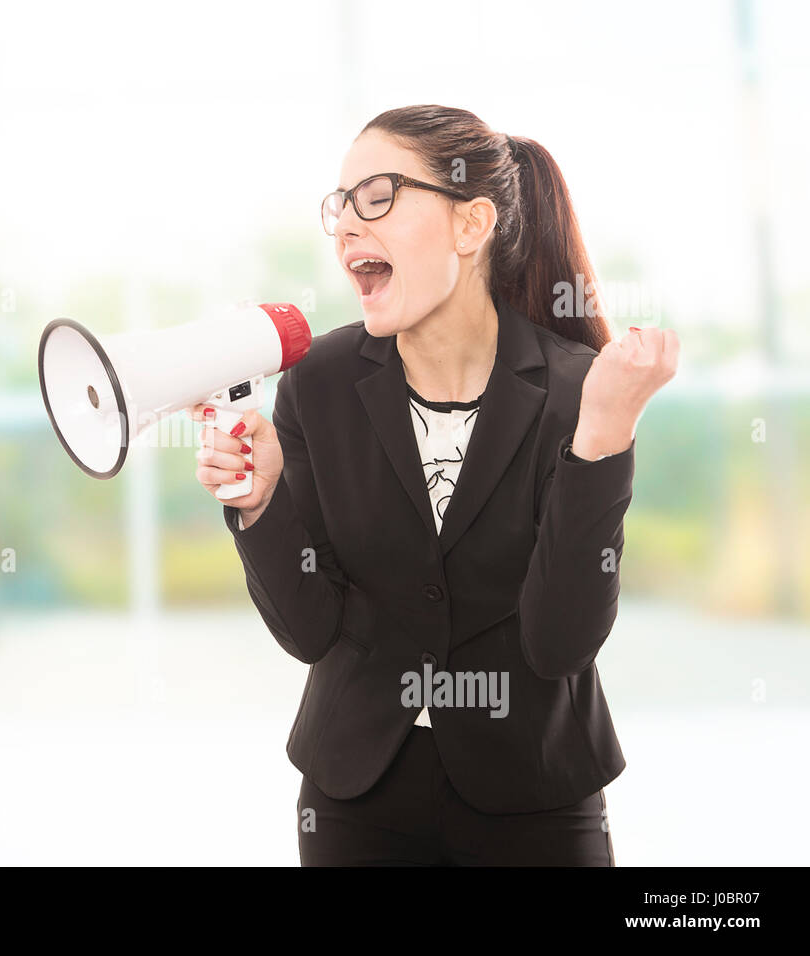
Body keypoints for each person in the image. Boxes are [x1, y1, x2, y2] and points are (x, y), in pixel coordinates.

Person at [188, 105, 678, 866]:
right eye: (341, 205)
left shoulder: (581, 391)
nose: (349, 225)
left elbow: (560, 643)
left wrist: (603, 440)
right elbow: (310, 631)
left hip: (538, 792)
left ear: (470, 224)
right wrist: (262, 501)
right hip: (356, 798)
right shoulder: (319, 381)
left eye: (378, 196)